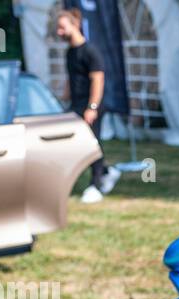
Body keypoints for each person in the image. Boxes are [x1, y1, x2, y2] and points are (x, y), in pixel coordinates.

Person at [56, 6, 120, 204]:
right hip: (76, 104)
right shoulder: (70, 53)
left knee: (93, 144)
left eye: (62, 28)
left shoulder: (90, 51)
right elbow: (71, 77)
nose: (59, 32)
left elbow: (97, 80)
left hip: (92, 105)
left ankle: (95, 185)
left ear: (74, 25)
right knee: (79, 146)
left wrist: (92, 108)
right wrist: (64, 95)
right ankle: (108, 171)